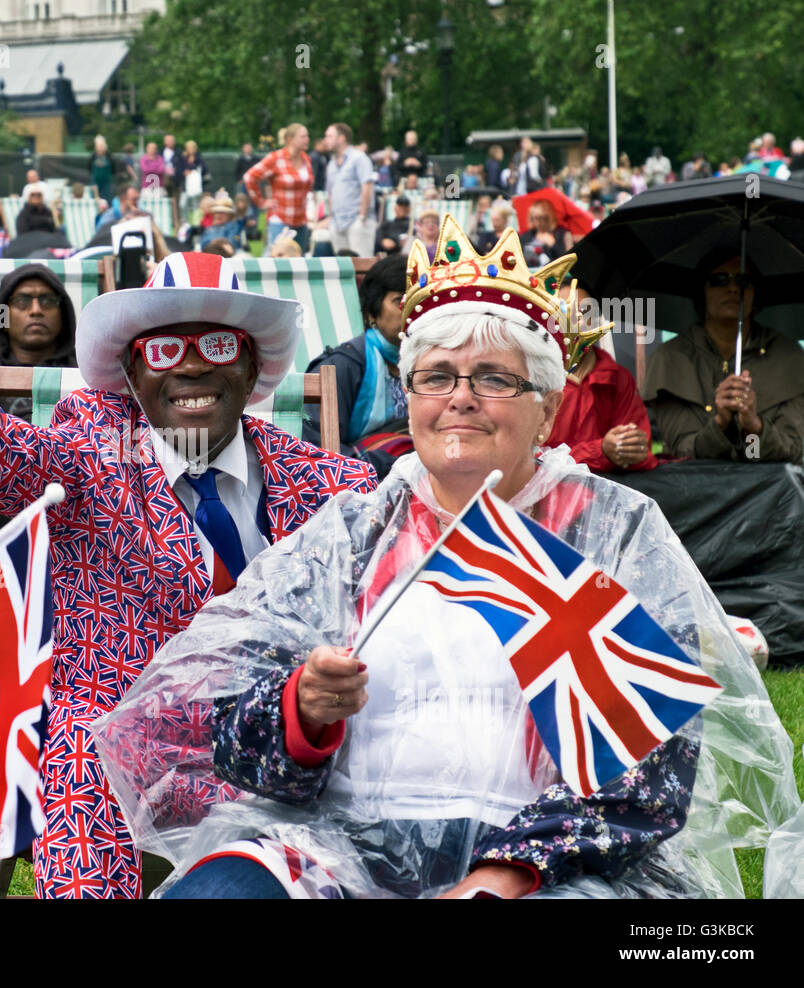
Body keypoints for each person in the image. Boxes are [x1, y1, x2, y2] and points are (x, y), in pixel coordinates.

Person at [92, 218, 798, 899]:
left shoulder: (611, 529)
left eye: (494, 378)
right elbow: (233, 732)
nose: (460, 399)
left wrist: (504, 874)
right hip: (340, 842)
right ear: (410, 397)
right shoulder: (354, 533)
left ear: (548, 409)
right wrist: (300, 712)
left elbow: (654, 759)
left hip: (557, 862)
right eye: (436, 377)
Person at [0, 236, 378, 898]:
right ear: (133, 376)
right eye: (163, 350)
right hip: (113, 738)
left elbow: (399, 550)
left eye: (217, 346)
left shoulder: (329, 483)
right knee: (80, 769)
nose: (190, 369)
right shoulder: (92, 449)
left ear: (251, 371)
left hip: (273, 742)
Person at [0, 263, 78, 557]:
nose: (36, 310)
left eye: (47, 300)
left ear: (64, 314)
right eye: (22, 301)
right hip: (0, 483)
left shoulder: (88, 374)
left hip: (75, 482)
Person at [643, 252, 804, 462]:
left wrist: (754, 428)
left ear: (755, 293)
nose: (733, 288)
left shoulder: (787, 357)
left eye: (744, 281)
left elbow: (791, 451)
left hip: (771, 489)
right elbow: (682, 452)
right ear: (702, 290)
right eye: (719, 279)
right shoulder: (671, 358)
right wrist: (720, 423)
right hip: (693, 488)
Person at [303, 253, 409, 472]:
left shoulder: (428, 361)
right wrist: (393, 467)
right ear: (372, 310)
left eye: (417, 300)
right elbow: (317, 449)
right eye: (400, 301)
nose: (409, 311)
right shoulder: (343, 366)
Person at [545, 283, 658, 473]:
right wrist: (601, 451)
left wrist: (629, 449)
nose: (578, 318)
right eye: (566, 310)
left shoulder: (618, 378)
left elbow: (642, 455)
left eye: (586, 310)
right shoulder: (537, 379)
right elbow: (531, 457)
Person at [245, 123, 314, 254]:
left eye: (307, 136)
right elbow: (249, 177)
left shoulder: (306, 159)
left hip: (301, 220)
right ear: (290, 140)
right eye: (303, 136)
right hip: (280, 219)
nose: (307, 139)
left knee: (299, 263)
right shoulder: (276, 158)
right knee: (275, 259)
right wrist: (261, 202)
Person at [324, 122, 375, 257]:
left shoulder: (359, 158)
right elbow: (330, 193)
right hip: (337, 222)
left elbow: (367, 186)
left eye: (329, 136)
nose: (326, 140)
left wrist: (362, 216)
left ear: (342, 138)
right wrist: (331, 218)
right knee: (342, 268)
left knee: (362, 265)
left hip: (357, 221)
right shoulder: (331, 164)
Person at [520, 199, 573, 265]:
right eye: (536, 218)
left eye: (544, 218)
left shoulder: (561, 234)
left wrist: (553, 245)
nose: (540, 222)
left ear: (550, 217)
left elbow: (567, 260)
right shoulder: (526, 236)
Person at [88, 135, 119, 204]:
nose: (100, 148)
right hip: (95, 183)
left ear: (105, 146)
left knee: (107, 202)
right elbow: (90, 169)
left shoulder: (109, 156)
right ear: (96, 147)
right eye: (98, 146)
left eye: (102, 146)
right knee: (94, 201)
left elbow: (114, 169)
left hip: (106, 184)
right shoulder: (93, 156)